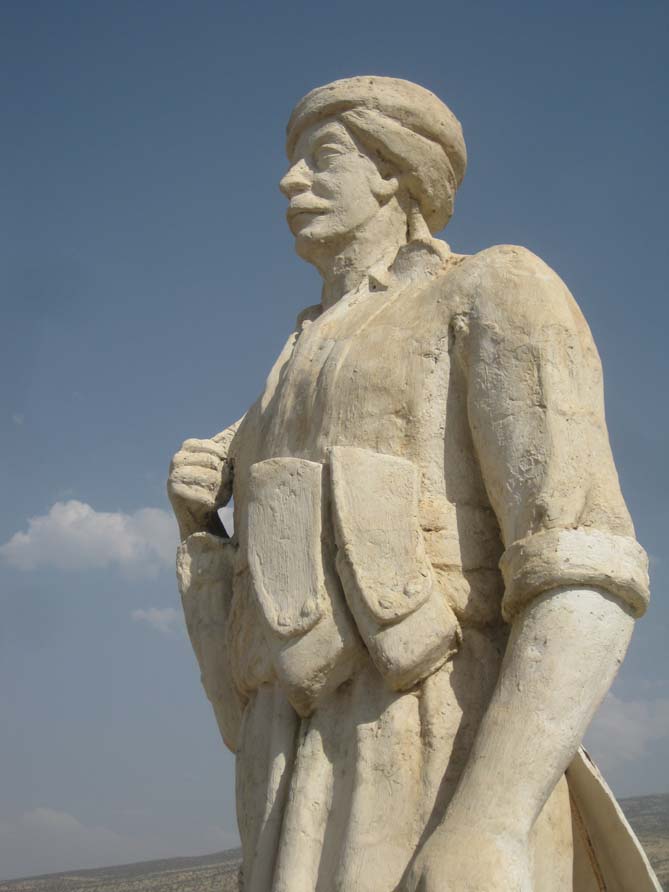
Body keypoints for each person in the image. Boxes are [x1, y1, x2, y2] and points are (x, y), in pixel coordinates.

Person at [167, 77, 659, 892]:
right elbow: (247, 682)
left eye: (323, 160)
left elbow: (585, 571)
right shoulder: (276, 380)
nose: (291, 184)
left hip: (439, 747)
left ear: (395, 171)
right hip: (285, 777)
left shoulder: (489, 289)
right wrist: (202, 533)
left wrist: (489, 821)